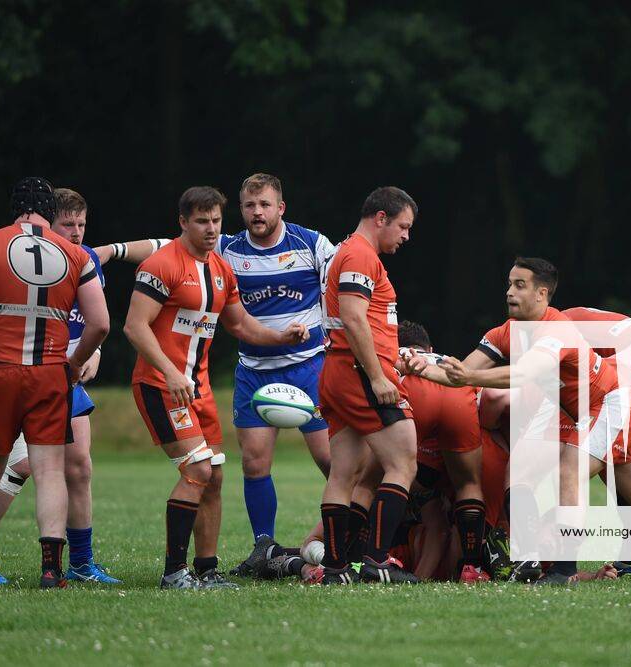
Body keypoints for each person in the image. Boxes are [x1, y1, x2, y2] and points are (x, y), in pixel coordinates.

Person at [410, 258, 631, 583]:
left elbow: (522, 374)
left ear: (542, 294)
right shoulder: (504, 331)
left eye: (519, 285)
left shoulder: (559, 330)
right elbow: (463, 374)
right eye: (509, 284)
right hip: (595, 407)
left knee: (572, 470)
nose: (509, 292)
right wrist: (423, 368)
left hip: (614, 403)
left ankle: (564, 568)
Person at [0, 188, 168, 585]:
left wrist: (93, 355)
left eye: (81, 225)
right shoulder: (20, 256)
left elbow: (96, 323)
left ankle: (81, 563)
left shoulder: (83, 258)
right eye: (67, 225)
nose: (75, 232)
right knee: (22, 465)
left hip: (64, 375)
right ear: (47, 224)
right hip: (32, 372)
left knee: (79, 467)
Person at [123, 186, 308, 589]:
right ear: (183, 222)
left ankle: (206, 571)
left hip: (198, 389)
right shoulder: (161, 265)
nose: (211, 229)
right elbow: (135, 327)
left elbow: (240, 324)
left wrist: (281, 337)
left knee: (216, 476)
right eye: (202, 221)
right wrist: (171, 374)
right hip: (161, 385)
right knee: (197, 469)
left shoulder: (221, 269)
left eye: (216, 221)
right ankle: (174, 572)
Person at [0, 177, 109, 588]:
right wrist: (75, 363)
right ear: (51, 212)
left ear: (14, 207)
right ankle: (51, 569)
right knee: (51, 471)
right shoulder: (74, 254)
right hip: (50, 374)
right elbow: (101, 324)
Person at [205, 174, 334, 576]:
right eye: (249, 205)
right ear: (240, 210)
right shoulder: (226, 249)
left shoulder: (311, 244)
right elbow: (164, 249)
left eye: (264, 205)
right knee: (254, 464)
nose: (256, 212)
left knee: (332, 461)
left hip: (310, 368)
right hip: (255, 373)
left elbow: (348, 281)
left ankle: (350, 532)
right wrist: (107, 252)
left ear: (281, 208)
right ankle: (265, 544)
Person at [317, 186, 419, 584]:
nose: (406, 236)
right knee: (403, 460)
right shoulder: (360, 254)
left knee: (344, 473)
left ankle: (335, 568)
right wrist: (378, 376)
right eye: (403, 226)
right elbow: (355, 318)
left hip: (339, 370)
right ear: (381, 218)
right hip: (358, 373)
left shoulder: (350, 251)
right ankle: (376, 563)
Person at [397, 320, 489, 583]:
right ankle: (472, 568)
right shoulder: (448, 359)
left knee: (386, 474)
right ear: (430, 348)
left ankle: (373, 559)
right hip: (456, 392)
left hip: (413, 391)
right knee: (469, 484)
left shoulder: (396, 358)